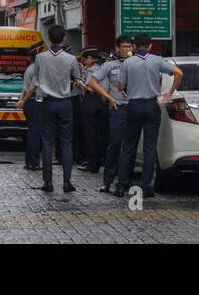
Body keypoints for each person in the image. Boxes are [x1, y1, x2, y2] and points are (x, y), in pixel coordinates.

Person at [116, 33, 183, 198]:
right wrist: (169, 94)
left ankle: (122, 184)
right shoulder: (157, 60)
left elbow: (120, 86)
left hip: (134, 106)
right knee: (149, 147)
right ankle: (146, 186)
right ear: (150, 46)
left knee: (128, 146)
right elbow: (179, 73)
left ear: (134, 46)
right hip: (152, 105)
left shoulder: (128, 62)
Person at [18, 24, 83, 193]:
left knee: (47, 142)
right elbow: (76, 78)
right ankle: (67, 182)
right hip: (65, 103)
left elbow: (37, 78)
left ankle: (48, 182)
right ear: (64, 39)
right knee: (66, 142)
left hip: (46, 103)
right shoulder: (70, 59)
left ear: (48, 39)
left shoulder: (40, 58)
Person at [86, 35, 133, 193]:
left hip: (134, 108)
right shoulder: (110, 65)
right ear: (118, 48)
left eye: (130, 46)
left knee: (129, 146)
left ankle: (125, 181)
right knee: (115, 144)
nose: (127, 49)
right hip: (118, 108)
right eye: (124, 47)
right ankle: (107, 181)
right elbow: (92, 82)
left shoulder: (138, 64)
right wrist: (108, 97)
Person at [77, 49, 108, 174]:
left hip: (91, 101)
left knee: (90, 133)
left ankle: (92, 163)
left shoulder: (91, 70)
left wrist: (80, 84)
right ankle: (100, 159)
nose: (83, 62)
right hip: (102, 102)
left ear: (90, 58)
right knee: (101, 132)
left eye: (84, 59)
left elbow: (90, 88)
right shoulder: (103, 68)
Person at [21, 46, 43, 171]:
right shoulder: (36, 69)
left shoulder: (29, 68)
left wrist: (22, 100)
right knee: (35, 133)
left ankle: (30, 161)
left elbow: (24, 89)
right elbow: (32, 88)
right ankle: (33, 162)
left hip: (30, 102)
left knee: (32, 133)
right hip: (35, 101)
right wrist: (23, 100)